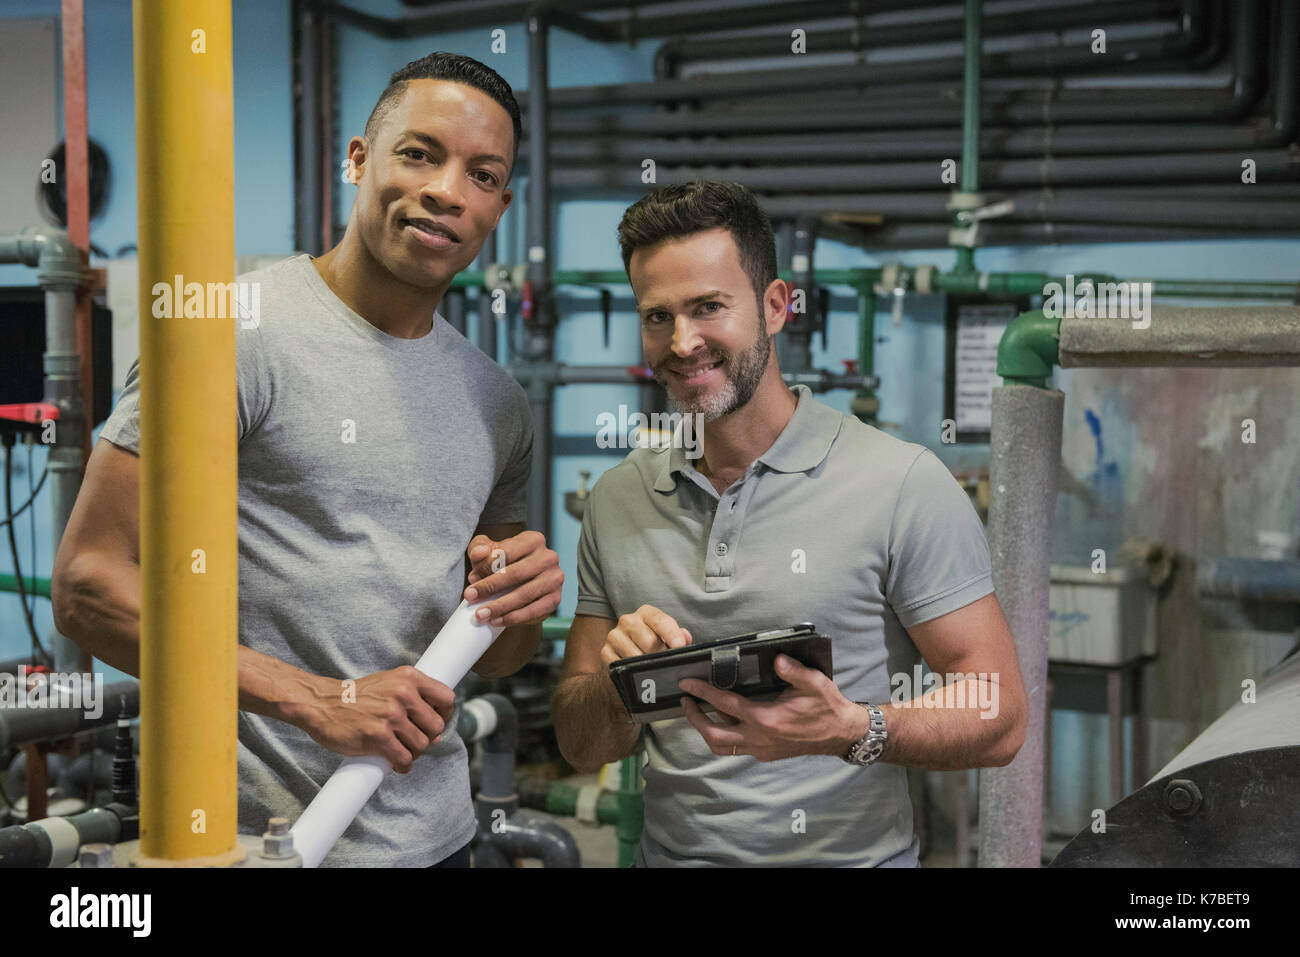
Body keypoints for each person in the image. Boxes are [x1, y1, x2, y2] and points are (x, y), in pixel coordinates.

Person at [51, 52, 562, 868]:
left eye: (483, 174)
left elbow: (501, 653)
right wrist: (316, 699)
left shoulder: (495, 401)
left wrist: (521, 605)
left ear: (499, 207)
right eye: (420, 152)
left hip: (440, 841)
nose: (446, 190)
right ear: (357, 159)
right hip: (245, 844)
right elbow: (87, 585)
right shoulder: (231, 334)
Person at [551, 181, 1027, 867]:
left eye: (708, 307)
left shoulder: (900, 482)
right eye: (657, 316)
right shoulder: (619, 497)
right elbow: (580, 738)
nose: (683, 342)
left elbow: (1001, 709)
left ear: (775, 307)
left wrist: (851, 728)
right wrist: (618, 686)